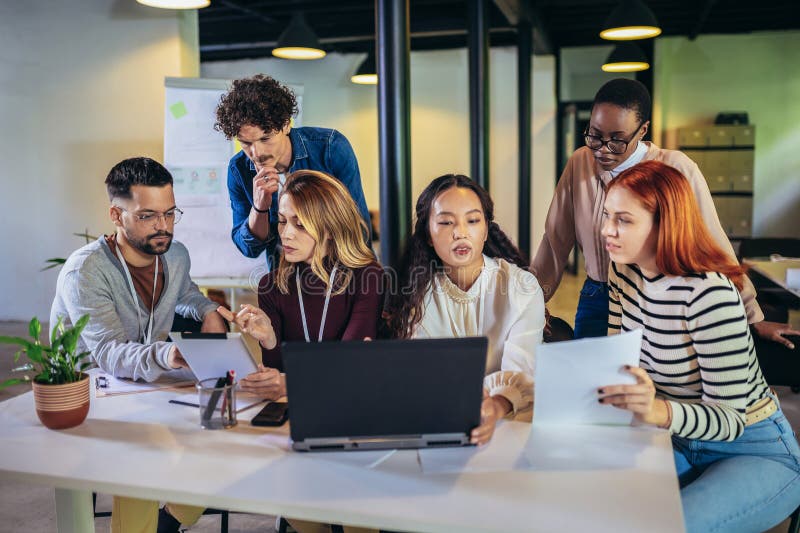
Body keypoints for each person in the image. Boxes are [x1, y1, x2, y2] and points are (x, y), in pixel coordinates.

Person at [597, 160, 800, 533]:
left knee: (672, 526)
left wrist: (656, 410)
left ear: (665, 225)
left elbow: (730, 420)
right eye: (607, 214)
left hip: (752, 446)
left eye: (623, 220)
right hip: (671, 436)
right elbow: (617, 357)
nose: (607, 230)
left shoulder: (708, 294)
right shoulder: (622, 272)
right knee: (593, 505)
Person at [531, 78, 798, 345]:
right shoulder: (581, 162)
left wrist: (752, 316)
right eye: (595, 135)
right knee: (591, 378)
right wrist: (529, 304)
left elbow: (714, 245)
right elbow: (555, 241)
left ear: (642, 130)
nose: (602, 149)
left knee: (652, 381)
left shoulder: (675, 168)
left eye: (617, 140)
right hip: (599, 296)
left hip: (661, 299)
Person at [50, 157, 228, 532]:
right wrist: (168, 353)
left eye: (169, 213)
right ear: (117, 214)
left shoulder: (174, 255)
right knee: (142, 455)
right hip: (91, 391)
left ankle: (171, 520)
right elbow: (110, 353)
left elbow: (185, 294)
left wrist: (208, 310)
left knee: (221, 434)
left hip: (146, 384)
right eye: (148, 216)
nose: (163, 226)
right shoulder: (86, 271)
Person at [218, 170, 383, 533]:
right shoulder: (272, 284)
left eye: (299, 223)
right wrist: (269, 340)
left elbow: (351, 367)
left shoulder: (368, 277)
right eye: (281, 221)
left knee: (361, 513)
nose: (285, 233)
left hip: (350, 416)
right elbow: (276, 372)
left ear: (328, 227)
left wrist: (289, 384)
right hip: (297, 418)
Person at [383, 174, 545, 445]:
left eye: (472, 221)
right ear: (429, 235)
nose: (460, 232)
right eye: (446, 222)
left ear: (485, 230)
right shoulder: (415, 292)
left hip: (511, 424)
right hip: (438, 422)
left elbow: (522, 370)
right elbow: (422, 372)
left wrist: (494, 407)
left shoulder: (521, 287)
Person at [214, 74, 371, 270]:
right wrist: (259, 207)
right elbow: (249, 248)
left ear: (287, 124)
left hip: (339, 273)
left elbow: (357, 228)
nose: (257, 153)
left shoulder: (330, 148)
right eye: (246, 143)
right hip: (285, 281)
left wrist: (362, 282)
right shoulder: (238, 169)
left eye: (266, 138)